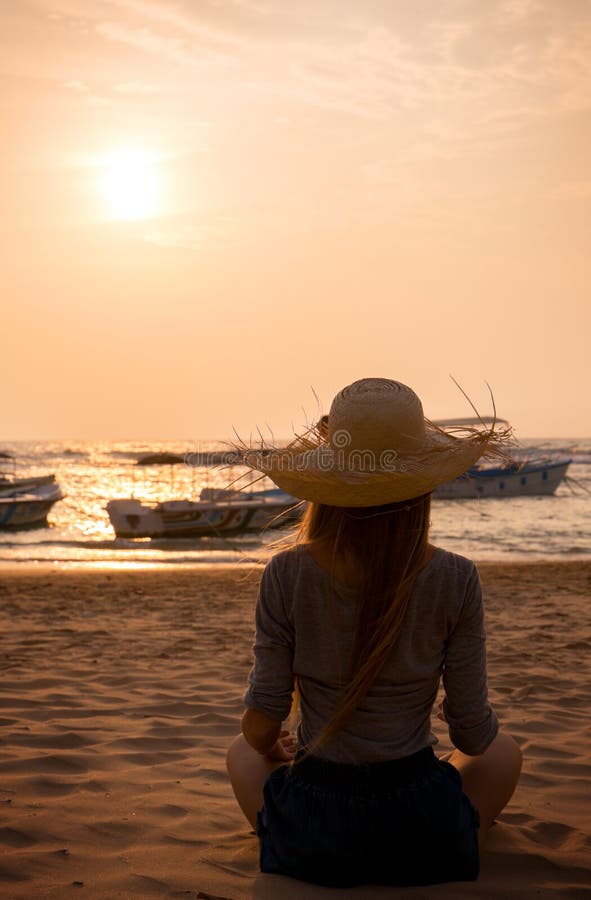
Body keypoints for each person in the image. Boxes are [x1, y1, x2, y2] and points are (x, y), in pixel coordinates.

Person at [227, 378, 522, 887]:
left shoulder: (286, 574)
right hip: (420, 825)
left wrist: (274, 749)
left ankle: (293, 844)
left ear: (329, 487)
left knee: (240, 751)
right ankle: (459, 839)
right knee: (502, 751)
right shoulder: (455, 577)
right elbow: (472, 733)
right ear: (422, 486)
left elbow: (259, 725)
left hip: (313, 831)